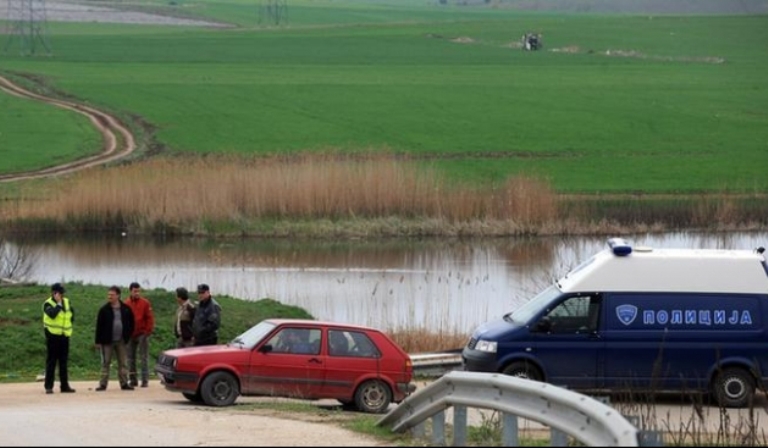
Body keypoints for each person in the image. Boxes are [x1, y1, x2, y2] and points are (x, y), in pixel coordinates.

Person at [94, 285, 135, 391]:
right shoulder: (104, 310)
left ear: (118, 295)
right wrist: (98, 341)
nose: (110, 296)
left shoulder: (126, 309)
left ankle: (124, 383)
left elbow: (131, 323)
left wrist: (128, 336)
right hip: (107, 341)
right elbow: (99, 326)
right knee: (105, 363)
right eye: (108, 295)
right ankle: (103, 384)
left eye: (112, 295)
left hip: (121, 341)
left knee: (123, 363)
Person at [42, 282, 76, 394]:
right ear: (54, 293)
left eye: (62, 293)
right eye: (60, 293)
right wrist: (58, 304)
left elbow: (71, 315)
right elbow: (52, 314)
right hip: (52, 336)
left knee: (63, 362)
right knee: (51, 362)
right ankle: (48, 386)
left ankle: (64, 386)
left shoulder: (67, 301)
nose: (62, 295)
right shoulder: (47, 304)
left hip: (64, 336)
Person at [123, 281, 155, 387]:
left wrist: (147, 332)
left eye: (138, 291)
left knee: (143, 357)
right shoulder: (126, 303)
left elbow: (150, 318)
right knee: (130, 358)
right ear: (130, 291)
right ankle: (133, 380)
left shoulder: (145, 303)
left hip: (142, 334)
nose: (137, 293)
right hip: (131, 334)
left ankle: (145, 380)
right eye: (135, 291)